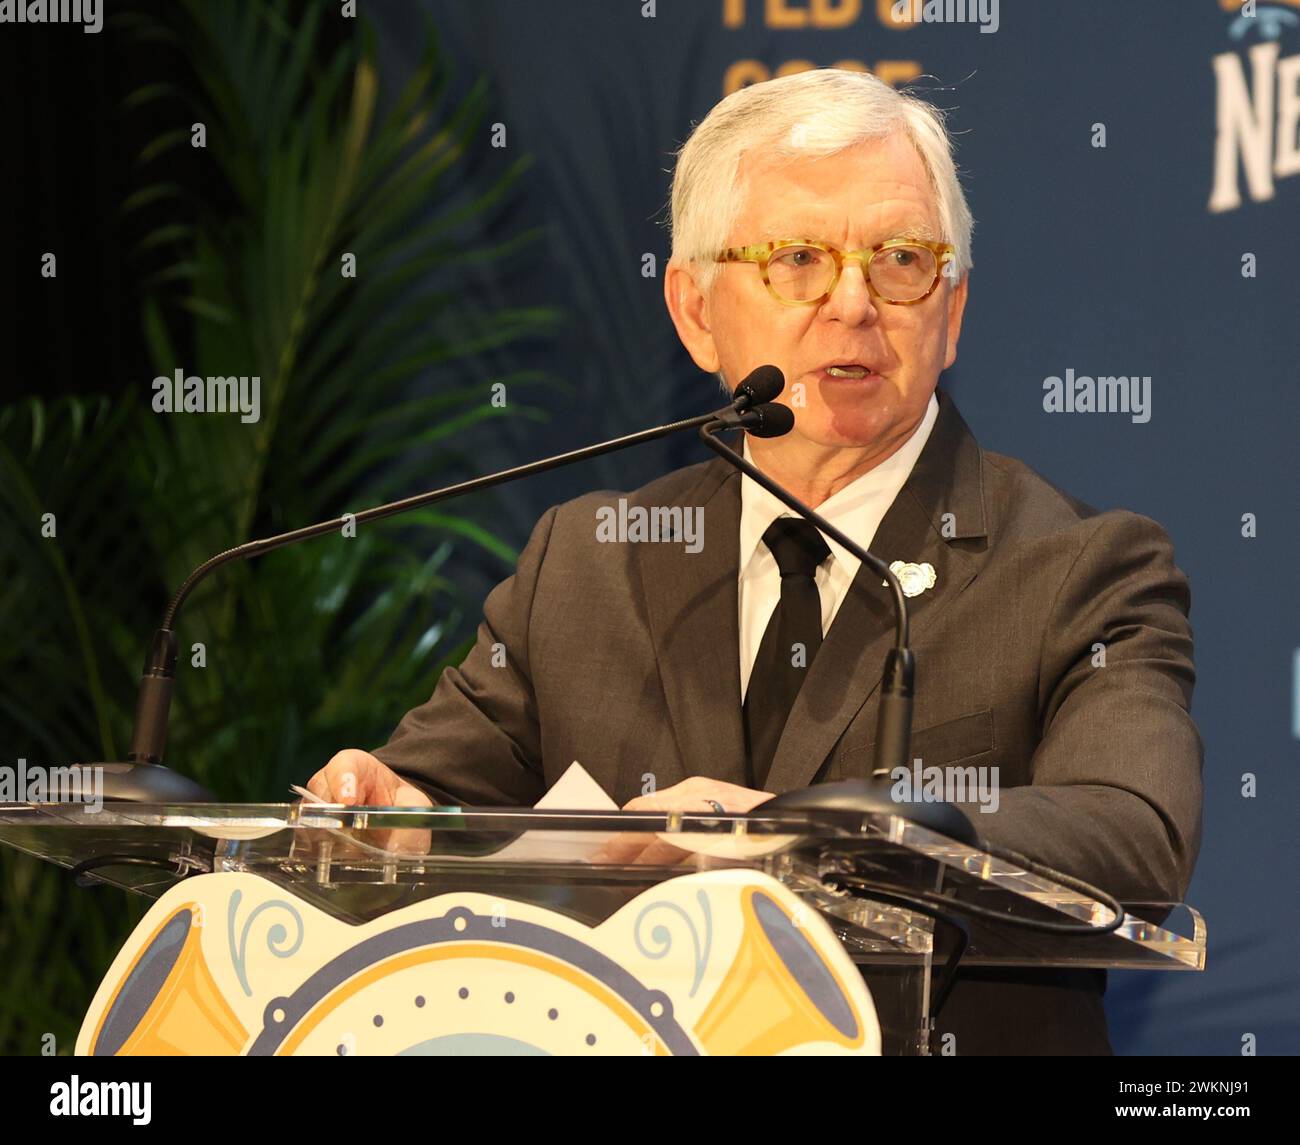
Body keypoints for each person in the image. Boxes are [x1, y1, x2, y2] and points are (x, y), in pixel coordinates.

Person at [307, 68, 1202, 1054]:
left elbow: (1134, 836)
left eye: (900, 258)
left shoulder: (1082, 565)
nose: (853, 303)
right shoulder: (585, 562)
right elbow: (429, 798)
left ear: (950, 310)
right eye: (796, 259)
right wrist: (384, 809)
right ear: (694, 311)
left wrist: (794, 832)